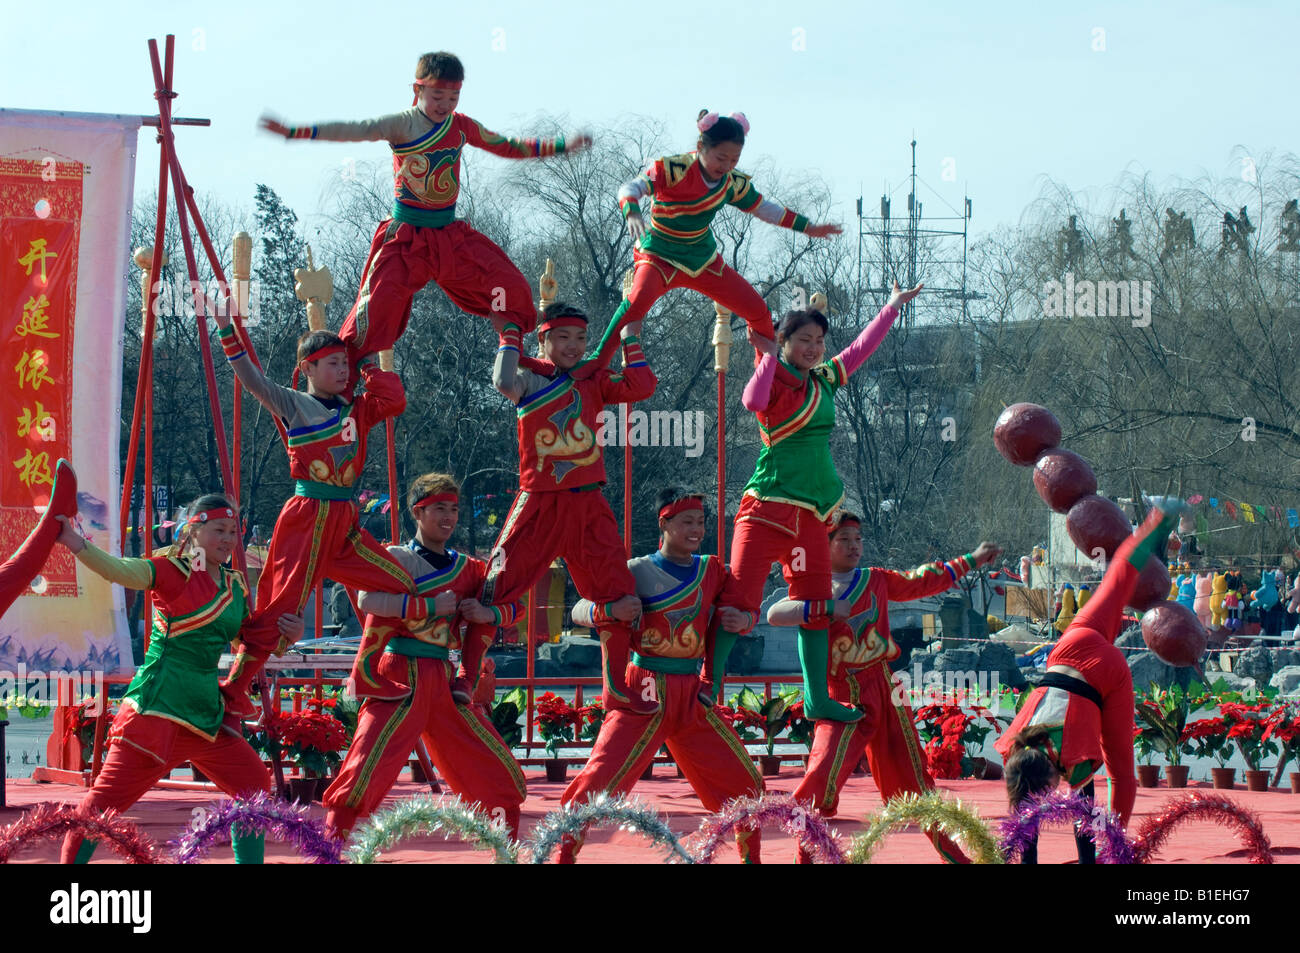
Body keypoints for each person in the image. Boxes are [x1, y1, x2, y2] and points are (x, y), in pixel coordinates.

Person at [259, 50, 591, 388]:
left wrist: (560, 146)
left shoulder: (461, 126)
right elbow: (355, 129)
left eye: (453, 96)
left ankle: (515, 351)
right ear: (417, 89)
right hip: (407, 239)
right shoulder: (402, 125)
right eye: (437, 96)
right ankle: (340, 389)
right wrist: (296, 131)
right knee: (374, 314)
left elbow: (505, 145)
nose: (445, 104)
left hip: (449, 237)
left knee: (509, 286)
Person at [53, 491, 303, 863]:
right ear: (193, 530)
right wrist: (73, 540)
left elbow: (248, 640)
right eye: (219, 530)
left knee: (254, 784)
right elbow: (120, 571)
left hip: (205, 715)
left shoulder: (234, 586)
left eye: (233, 533)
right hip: (158, 711)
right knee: (101, 807)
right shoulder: (174, 571)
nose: (227, 540)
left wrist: (288, 634)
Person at [718, 284, 922, 722]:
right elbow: (751, 400)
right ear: (784, 342)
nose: (813, 349)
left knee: (815, 604)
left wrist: (891, 306)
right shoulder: (772, 377)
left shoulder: (825, 380)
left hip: (812, 514)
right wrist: (768, 355)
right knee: (738, 604)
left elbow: (860, 349)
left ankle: (816, 698)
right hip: (765, 507)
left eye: (818, 341)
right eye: (803, 340)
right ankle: (708, 688)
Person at [211, 308, 415, 718]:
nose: (343, 370)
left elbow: (395, 401)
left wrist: (367, 364)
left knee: (399, 585)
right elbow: (252, 380)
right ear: (308, 368)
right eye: (334, 363)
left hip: (344, 522)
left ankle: (367, 671)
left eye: (345, 363)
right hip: (307, 518)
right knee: (281, 607)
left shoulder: (358, 409)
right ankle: (235, 688)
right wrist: (227, 330)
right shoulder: (296, 403)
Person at [767, 513, 1001, 863]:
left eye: (857, 539)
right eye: (844, 539)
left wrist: (972, 560)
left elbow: (921, 581)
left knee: (915, 781)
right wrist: (825, 607)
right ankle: (805, 857)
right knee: (819, 775)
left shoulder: (874, 579)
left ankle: (952, 855)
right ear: (825, 545)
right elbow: (775, 613)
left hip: (884, 687)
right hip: (840, 695)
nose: (854, 546)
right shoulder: (812, 585)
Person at [557, 488, 764, 863]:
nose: (696, 530)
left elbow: (745, 608)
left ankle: (753, 860)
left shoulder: (711, 571)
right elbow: (578, 610)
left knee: (746, 784)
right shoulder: (635, 571)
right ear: (664, 522)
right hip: (643, 691)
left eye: (701, 522)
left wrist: (745, 619)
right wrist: (610, 609)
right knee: (597, 782)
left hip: (692, 693)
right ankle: (560, 855)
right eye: (687, 522)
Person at [321, 472, 527, 840]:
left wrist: (489, 615)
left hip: (444, 683)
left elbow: (515, 604)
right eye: (437, 509)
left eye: (453, 509)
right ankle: (330, 852)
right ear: (417, 513)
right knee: (362, 770)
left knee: (494, 770)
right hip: (396, 677)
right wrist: (428, 605)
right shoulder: (395, 557)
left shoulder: (469, 569)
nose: (448, 517)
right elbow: (368, 600)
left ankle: (506, 853)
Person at [484, 301, 657, 714]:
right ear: (543, 339)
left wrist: (630, 335)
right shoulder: (530, 380)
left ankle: (616, 688)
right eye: (563, 337)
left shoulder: (592, 380)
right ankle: (469, 678)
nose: (574, 346)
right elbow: (501, 380)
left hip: (588, 503)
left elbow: (641, 386)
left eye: (581, 338)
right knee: (495, 586)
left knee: (620, 596)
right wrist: (509, 333)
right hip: (540, 502)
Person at [580, 110, 840, 376]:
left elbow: (765, 208)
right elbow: (630, 189)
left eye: (734, 159)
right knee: (633, 305)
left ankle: (768, 374)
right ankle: (595, 364)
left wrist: (808, 227)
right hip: (660, 256)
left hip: (702, 260)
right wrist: (632, 211)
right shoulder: (673, 169)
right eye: (721, 157)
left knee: (759, 312)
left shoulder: (731, 182)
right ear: (700, 147)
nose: (727, 165)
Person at [995, 499, 1182, 863]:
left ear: (1051, 777)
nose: (1053, 797)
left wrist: (1108, 849)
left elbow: (1079, 812)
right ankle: (1158, 518)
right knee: (1118, 577)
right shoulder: (1016, 751)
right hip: (1069, 647)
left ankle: (1110, 852)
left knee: (1120, 774)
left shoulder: (1059, 761)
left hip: (1106, 674)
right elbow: (1029, 821)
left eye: (1050, 791)